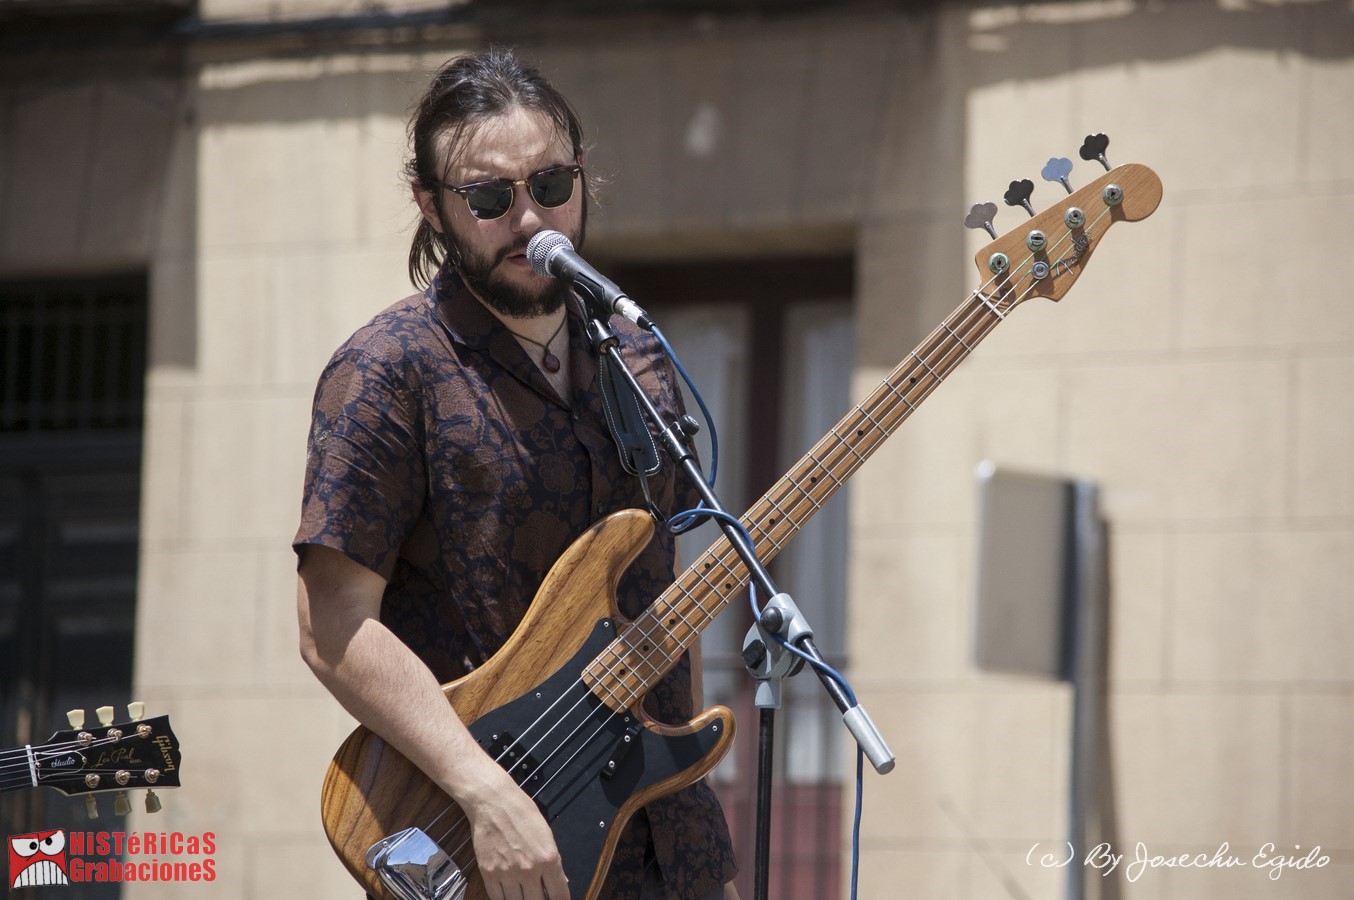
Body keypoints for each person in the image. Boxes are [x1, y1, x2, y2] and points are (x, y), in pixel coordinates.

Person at [294, 48, 739, 900]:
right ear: (432, 208)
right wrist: (484, 792)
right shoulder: (388, 370)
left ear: (584, 181)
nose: (530, 219)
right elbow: (332, 628)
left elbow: (654, 591)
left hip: (668, 846)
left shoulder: (639, 356)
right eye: (491, 199)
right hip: (492, 844)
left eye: (551, 185)